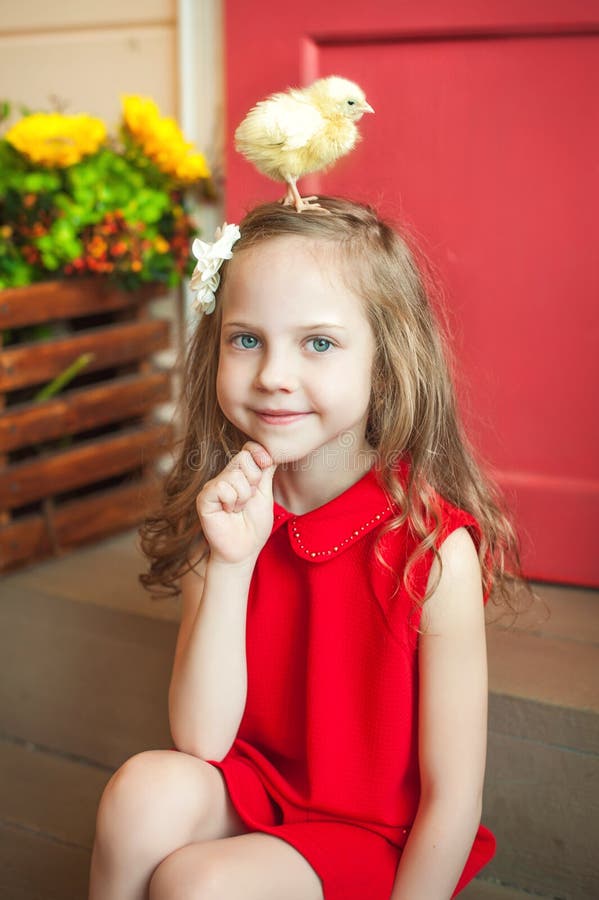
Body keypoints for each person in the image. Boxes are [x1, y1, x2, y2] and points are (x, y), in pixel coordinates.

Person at [88, 197, 529, 900]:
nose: (272, 375)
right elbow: (202, 742)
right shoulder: (227, 513)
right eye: (246, 339)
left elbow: (451, 799)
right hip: (253, 791)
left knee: (194, 883)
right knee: (141, 791)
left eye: (317, 343)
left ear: (385, 364)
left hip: (372, 837)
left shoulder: (430, 550)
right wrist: (230, 563)